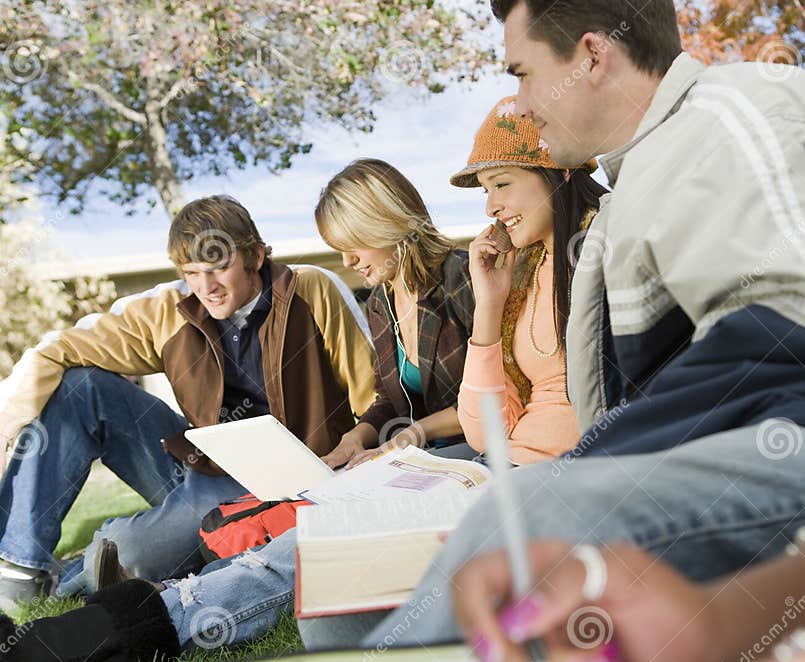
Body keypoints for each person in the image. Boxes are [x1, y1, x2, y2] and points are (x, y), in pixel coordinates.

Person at [358, 0, 805, 654]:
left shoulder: (734, 117)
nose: (516, 105)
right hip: (738, 447)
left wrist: (581, 471)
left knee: (525, 523)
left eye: (521, 74)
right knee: (353, 591)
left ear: (593, 57)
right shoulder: (640, 179)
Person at [0, 195, 376, 609]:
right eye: (192, 272)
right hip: (202, 468)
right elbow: (57, 350)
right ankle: (22, 565)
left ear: (254, 254)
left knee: (129, 552)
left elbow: (373, 393)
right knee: (83, 387)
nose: (206, 287)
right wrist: (7, 430)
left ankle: (100, 560)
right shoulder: (169, 310)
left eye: (218, 268)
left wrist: (360, 451)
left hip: (283, 484)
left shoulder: (312, 289)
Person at [453, 96, 607, 464]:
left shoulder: (609, 244)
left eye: (502, 184)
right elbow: (483, 434)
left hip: (572, 479)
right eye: (485, 190)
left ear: (561, 171)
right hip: (505, 469)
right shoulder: (522, 270)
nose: (490, 207)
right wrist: (489, 305)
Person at [312, 158, 477, 466]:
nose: (347, 262)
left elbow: (497, 394)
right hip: (426, 456)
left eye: (353, 245)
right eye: (339, 249)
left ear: (387, 223)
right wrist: (355, 437)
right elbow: (389, 398)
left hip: (483, 449)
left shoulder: (463, 276)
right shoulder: (379, 302)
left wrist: (412, 435)